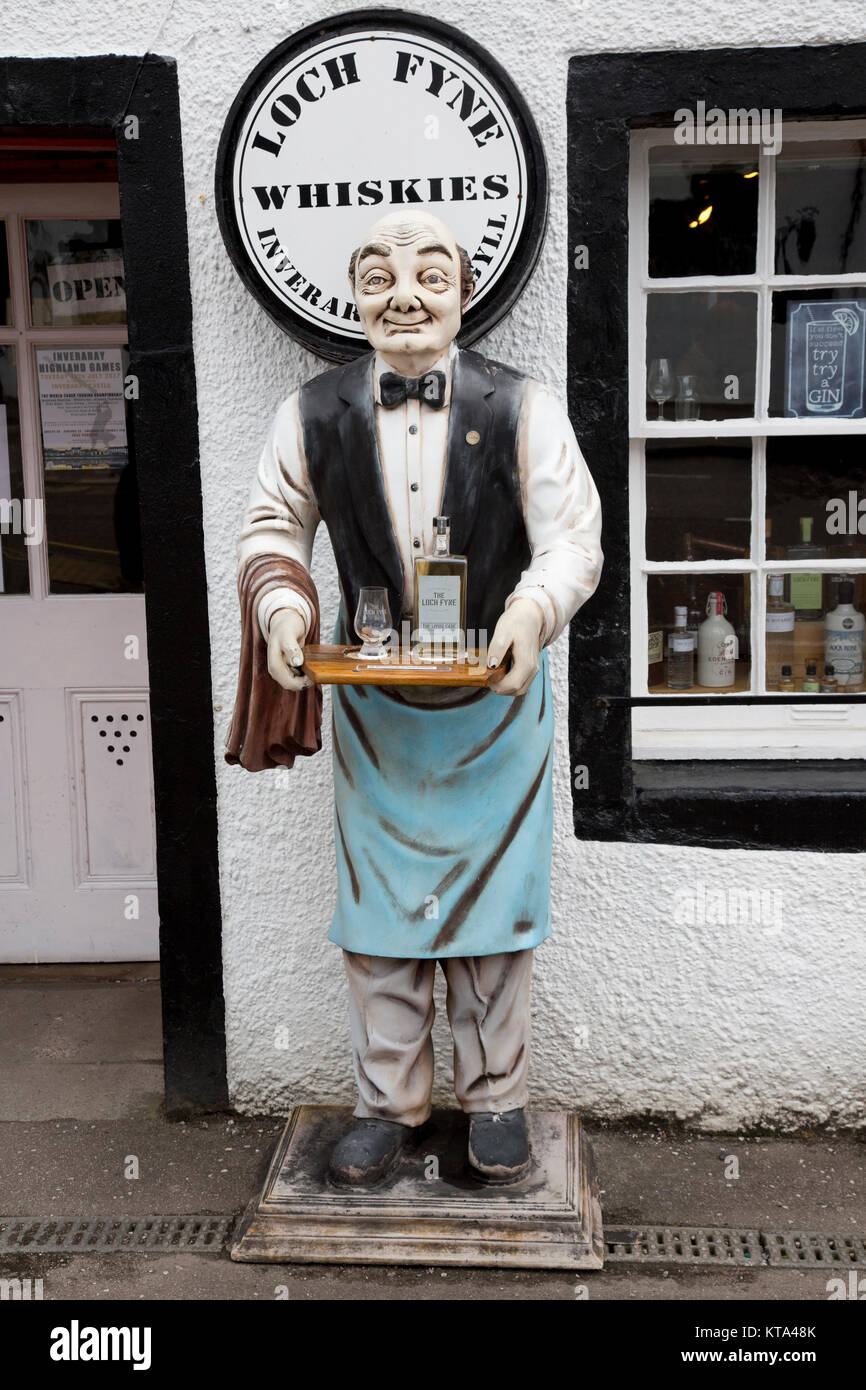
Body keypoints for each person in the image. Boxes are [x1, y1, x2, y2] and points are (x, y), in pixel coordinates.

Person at [234, 209, 603, 1186]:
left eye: (429, 273)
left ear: (463, 292)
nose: (404, 293)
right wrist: (279, 611)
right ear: (354, 296)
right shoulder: (309, 413)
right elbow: (272, 525)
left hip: (495, 708)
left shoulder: (525, 406)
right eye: (380, 275)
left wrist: (530, 615)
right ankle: (386, 1103)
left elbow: (571, 537)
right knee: (380, 922)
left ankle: (495, 1102)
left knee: (492, 922)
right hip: (375, 713)